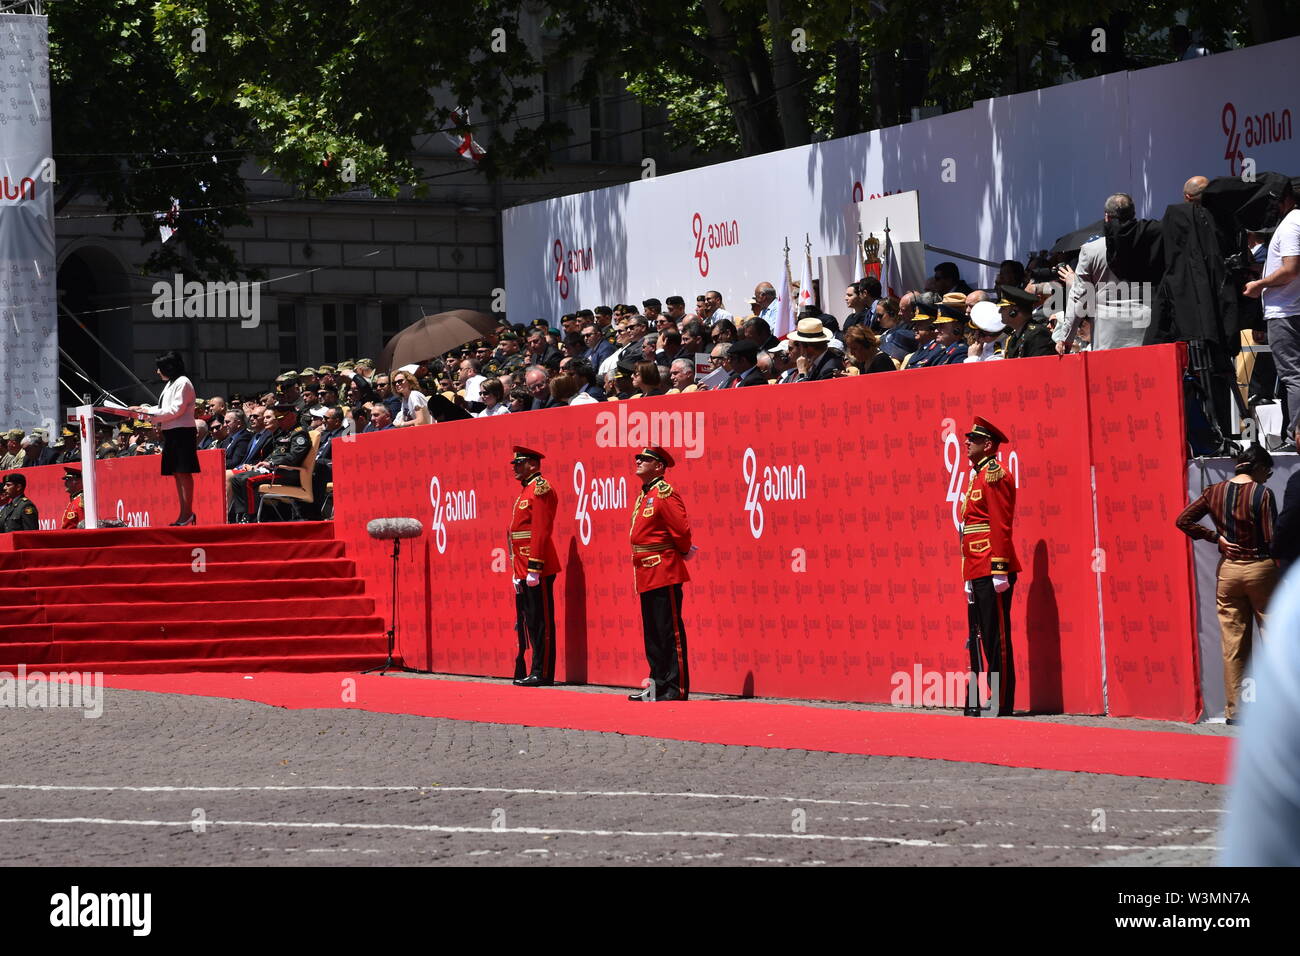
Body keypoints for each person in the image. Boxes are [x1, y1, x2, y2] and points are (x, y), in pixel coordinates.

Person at [1175, 444, 1279, 723]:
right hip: (1260, 568)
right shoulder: (1262, 493)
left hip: (1229, 573)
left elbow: (1183, 520)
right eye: (1267, 472)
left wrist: (1215, 538)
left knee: (1233, 644)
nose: (1267, 478)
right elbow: (1271, 539)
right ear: (1257, 467)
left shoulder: (1213, 492)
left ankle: (1237, 712)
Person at [959, 418, 1020, 717]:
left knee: (997, 638)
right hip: (975, 565)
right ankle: (982, 699)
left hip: (991, 565)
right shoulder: (976, 476)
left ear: (988, 445)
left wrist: (999, 568)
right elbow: (969, 528)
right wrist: (967, 573)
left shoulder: (995, 475)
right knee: (980, 635)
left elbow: (1000, 524)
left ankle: (1002, 701)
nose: (966, 442)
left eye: (973, 438)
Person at [627, 447, 695, 702]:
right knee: (653, 634)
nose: (638, 461)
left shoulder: (664, 493)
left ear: (659, 466)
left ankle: (675, 688)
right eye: (638, 458)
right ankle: (656, 685)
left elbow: (681, 529)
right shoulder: (645, 495)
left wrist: (685, 551)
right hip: (646, 571)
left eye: (645, 459)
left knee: (669, 631)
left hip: (664, 569)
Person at [1244, 179, 1300, 443]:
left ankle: (1294, 436)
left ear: (1287, 198)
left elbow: (1290, 269)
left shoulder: (1291, 224)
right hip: (1290, 309)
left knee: (1292, 376)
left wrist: (1260, 284)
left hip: (1286, 312)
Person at [508, 447, 560, 687]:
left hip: (537, 565)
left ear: (531, 463)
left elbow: (540, 530)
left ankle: (543, 671)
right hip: (524, 566)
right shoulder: (526, 491)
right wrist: (518, 570)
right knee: (531, 620)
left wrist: (534, 568)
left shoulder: (540, 488)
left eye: (518, 463)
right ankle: (534, 668)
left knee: (542, 622)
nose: (514, 467)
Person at [129, 350, 199, 526]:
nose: (157, 372)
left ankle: (187, 513)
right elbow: (164, 407)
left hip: (182, 432)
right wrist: (143, 409)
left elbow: (176, 410)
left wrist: (148, 412)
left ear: (169, 367)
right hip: (172, 432)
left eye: (159, 368)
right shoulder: (171, 383)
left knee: (183, 472)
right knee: (177, 473)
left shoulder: (183, 383)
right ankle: (184, 513)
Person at [228, 404, 312, 523]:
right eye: (277, 419)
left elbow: (294, 457)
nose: (279, 421)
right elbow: (274, 453)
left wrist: (271, 463)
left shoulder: (299, 433)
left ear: (292, 417)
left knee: (247, 480)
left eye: (282, 418)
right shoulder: (283, 433)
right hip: (274, 469)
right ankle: (242, 514)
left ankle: (251, 517)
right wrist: (262, 463)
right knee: (236, 479)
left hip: (286, 472)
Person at [999, 285, 1055, 358]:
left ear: (1013, 311)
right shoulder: (1013, 337)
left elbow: (1040, 366)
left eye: (1003, 308)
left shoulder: (1038, 334)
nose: (999, 311)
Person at [61, 466, 85, 530]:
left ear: (78, 481)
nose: (65, 483)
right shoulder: (74, 501)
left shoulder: (81, 501)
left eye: (68, 480)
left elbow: (83, 526)